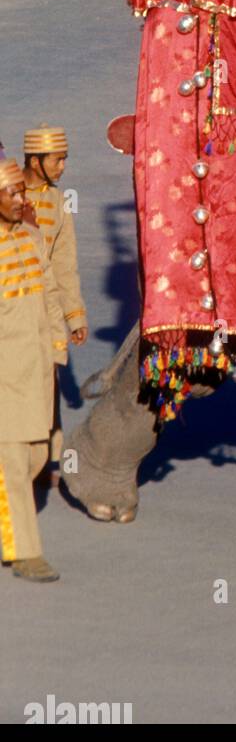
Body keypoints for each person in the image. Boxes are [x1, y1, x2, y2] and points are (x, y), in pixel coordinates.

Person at [0, 157, 69, 581]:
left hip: (38, 368)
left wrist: (57, 348)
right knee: (10, 462)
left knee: (37, 455)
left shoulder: (29, 236)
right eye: (9, 193)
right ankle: (25, 552)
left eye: (19, 191)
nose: (18, 199)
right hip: (5, 374)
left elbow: (50, 294)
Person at [21, 127, 87, 482]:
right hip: (11, 305)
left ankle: (45, 457)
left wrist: (74, 315)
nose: (62, 167)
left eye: (64, 159)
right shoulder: (7, 194)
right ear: (35, 160)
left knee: (48, 383)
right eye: (57, 160)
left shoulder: (60, 203)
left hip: (45, 311)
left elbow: (65, 263)